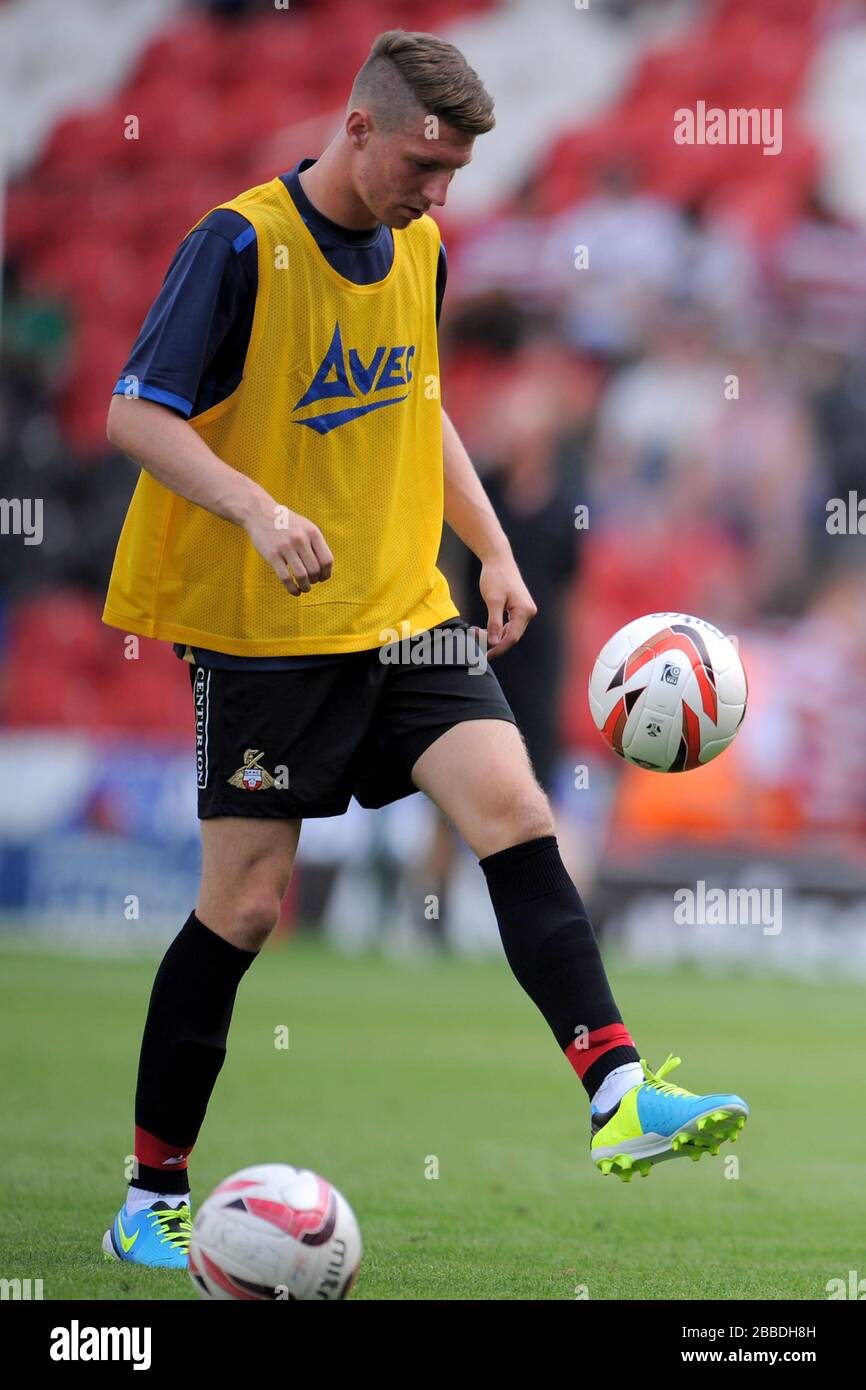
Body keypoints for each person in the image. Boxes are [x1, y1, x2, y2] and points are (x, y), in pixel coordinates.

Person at [100, 28, 748, 1272]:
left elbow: (419, 402)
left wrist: (494, 549)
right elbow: (135, 411)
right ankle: (151, 1188)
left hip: (400, 609)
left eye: (454, 171)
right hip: (263, 629)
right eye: (423, 161)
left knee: (513, 810)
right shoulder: (238, 245)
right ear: (357, 127)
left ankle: (616, 1094)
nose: (438, 191)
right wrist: (256, 507)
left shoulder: (421, 246)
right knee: (242, 908)